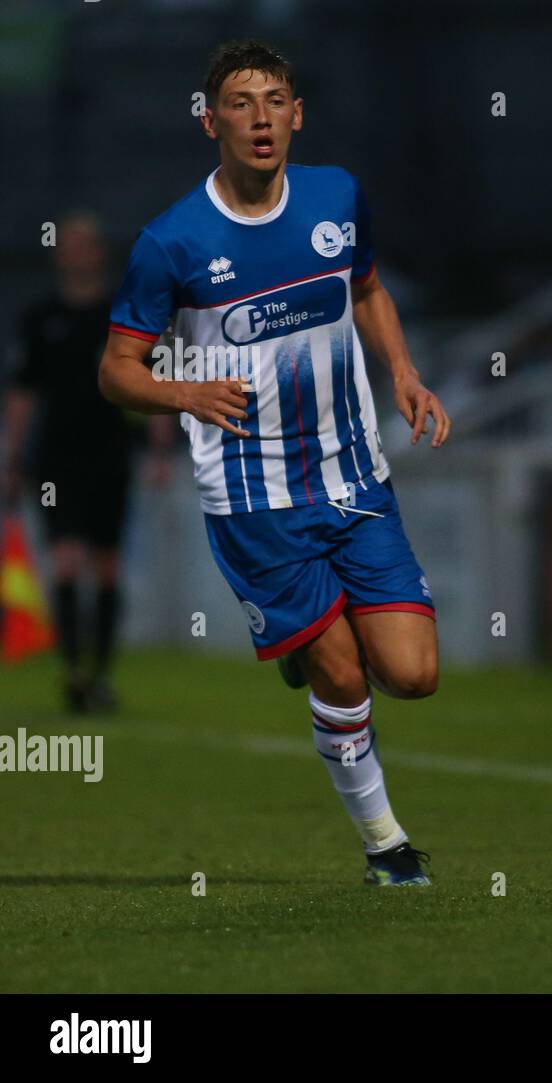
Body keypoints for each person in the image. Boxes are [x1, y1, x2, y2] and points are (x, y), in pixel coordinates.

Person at [97, 40, 451, 886]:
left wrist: (401, 368)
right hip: (255, 497)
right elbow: (115, 370)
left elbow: (365, 289)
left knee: (413, 673)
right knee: (340, 669)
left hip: (355, 475)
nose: (262, 118)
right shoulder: (171, 242)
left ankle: (303, 647)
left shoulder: (336, 197)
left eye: (277, 100)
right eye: (243, 102)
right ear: (210, 118)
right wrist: (184, 396)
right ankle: (387, 847)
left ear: (298, 114)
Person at [3, 213, 171, 712]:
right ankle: (74, 671)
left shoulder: (123, 314)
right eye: (69, 243)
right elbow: (23, 394)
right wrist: (12, 459)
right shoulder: (40, 318)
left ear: (99, 252)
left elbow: (152, 380)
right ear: (59, 253)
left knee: (107, 566)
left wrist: (160, 449)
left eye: (87, 243)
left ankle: (99, 674)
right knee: (66, 560)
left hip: (111, 456)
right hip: (56, 460)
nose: (78, 252)